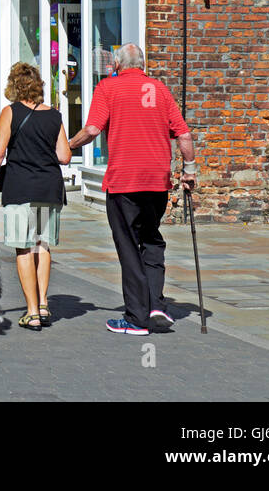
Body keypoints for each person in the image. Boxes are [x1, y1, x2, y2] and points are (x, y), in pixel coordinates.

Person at [69, 43, 196, 336]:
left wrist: (66, 147)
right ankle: (156, 306)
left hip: (124, 181)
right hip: (156, 180)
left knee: (128, 245)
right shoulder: (159, 89)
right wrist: (189, 172)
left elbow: (91, 130)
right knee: (151, 240)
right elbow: (184, 135)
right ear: (143, 64)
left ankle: (136, 318)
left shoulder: (108, 88)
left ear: (116, 64)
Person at [0, 62, 70, 331]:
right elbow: (65, 156)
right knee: (43, 245)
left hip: (21, 187)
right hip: (49, 187)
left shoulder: (10, 113)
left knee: (24, 248)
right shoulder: (54, 115)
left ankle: (32, 312)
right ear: (39, 86)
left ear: (13, 85)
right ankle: (44, 304)